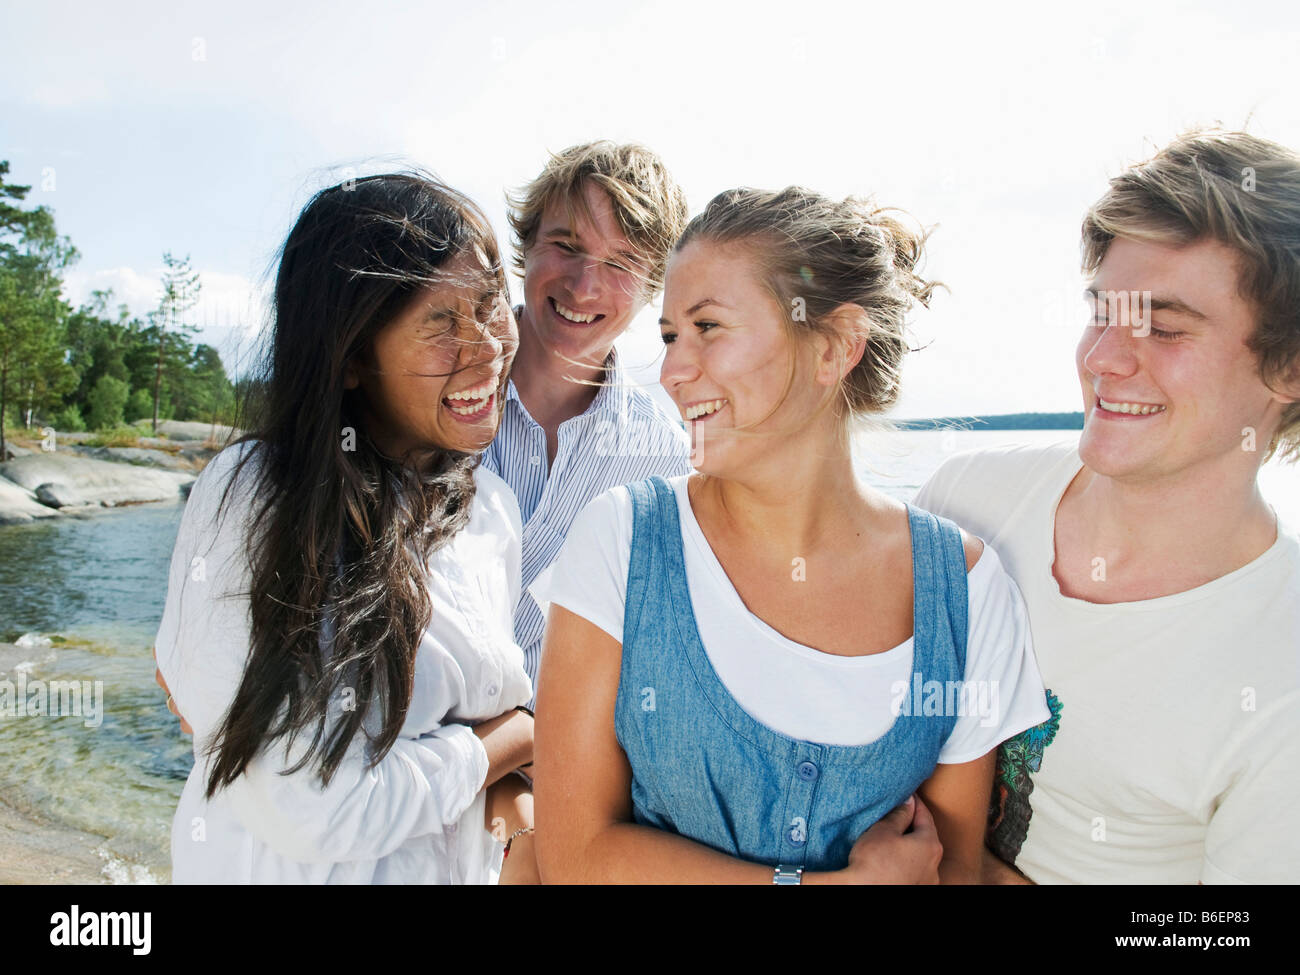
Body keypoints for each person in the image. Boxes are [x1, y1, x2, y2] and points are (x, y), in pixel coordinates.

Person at [533, 186, 1051, 883]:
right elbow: (575, 857)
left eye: (708, 327)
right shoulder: (622, 540)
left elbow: (952, 868)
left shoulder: (966, 589)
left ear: (835, 346)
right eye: (668, 336)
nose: (673, 371)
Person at [914, 129, 1300, 884]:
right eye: (1103, 314)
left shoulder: (1282, 667)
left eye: (1162, 327)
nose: (1102, 359)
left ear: (1287, 366)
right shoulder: (961, 503)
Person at [153, 173, 536, 883]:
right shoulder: (261, 490)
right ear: (353, 355)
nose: (487, 346)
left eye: (490, 305)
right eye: (442, 323)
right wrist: (508, 740)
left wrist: (504, 761)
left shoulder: (491, 510)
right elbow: (312, 805)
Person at [481, 142, 693, 697]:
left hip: (547, 766)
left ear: (654, 289)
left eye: (621, 264)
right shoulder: (436, 393)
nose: (583, 285)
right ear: (525, 245)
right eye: (566, 245)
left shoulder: (667, 462)